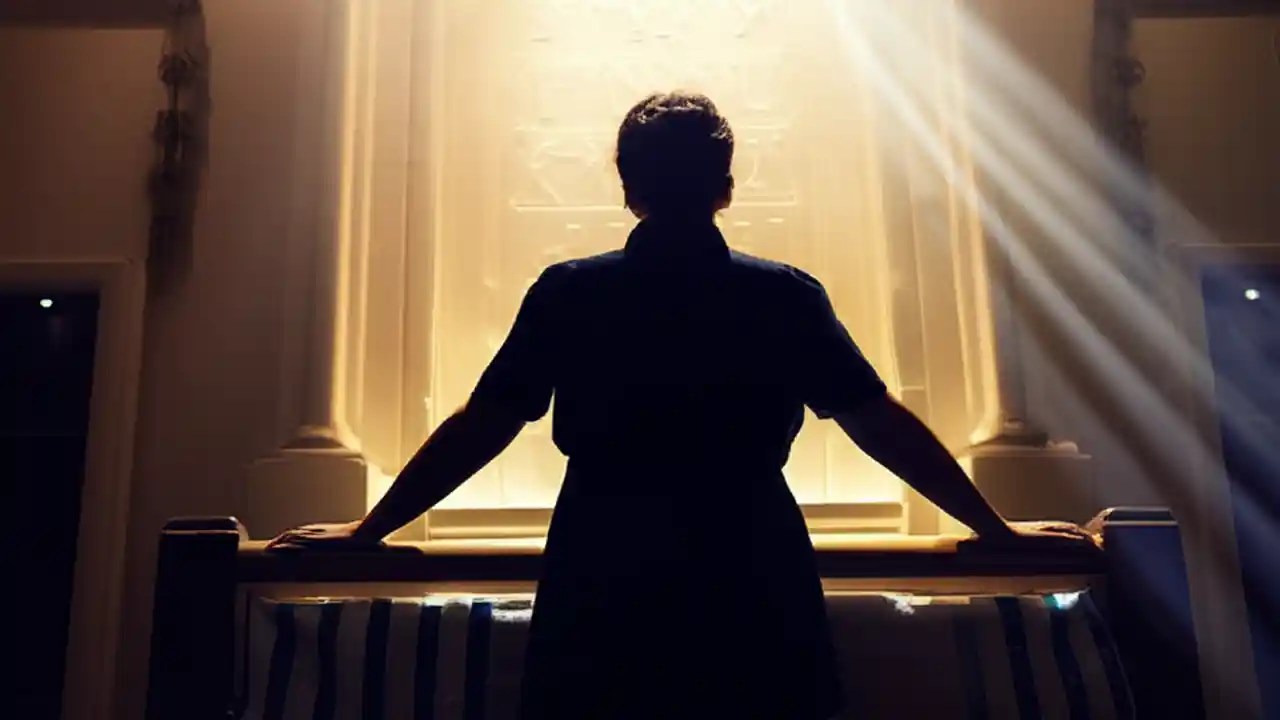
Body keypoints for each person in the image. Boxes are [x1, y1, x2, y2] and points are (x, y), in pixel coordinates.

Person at [269, 91, 1093, 719]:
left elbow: (483, 426)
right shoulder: (784, 298)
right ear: (726, 188)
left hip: (604, 560)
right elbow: (880, 426)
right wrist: (996, 531)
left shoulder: (571, 294)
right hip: (750, 560)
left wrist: (367, 532)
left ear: (628, 187)